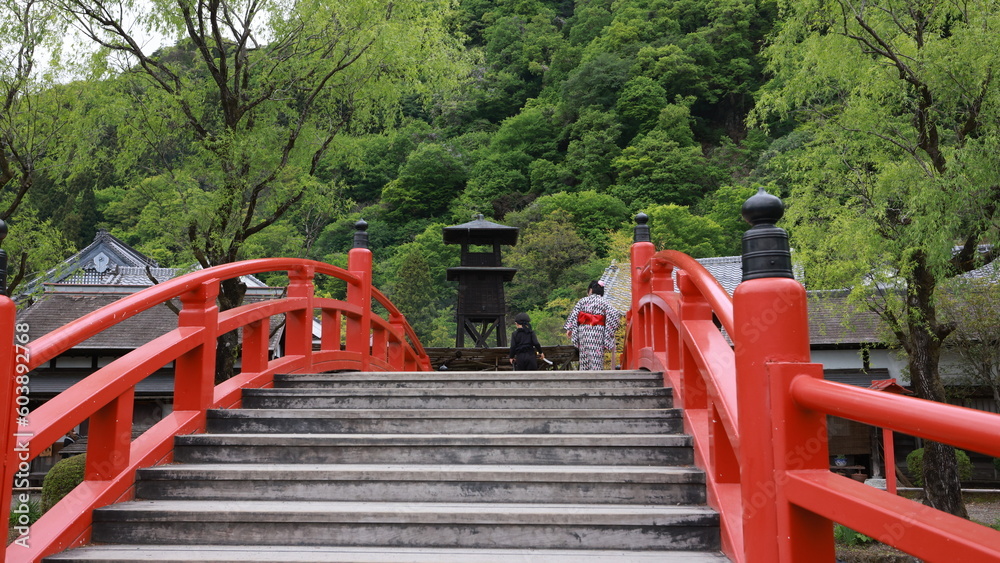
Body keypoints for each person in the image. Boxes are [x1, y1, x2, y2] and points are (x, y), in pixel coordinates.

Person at [564, 280, 622, 370]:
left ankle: (584, 376)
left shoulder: (582, 301)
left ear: (591, 290)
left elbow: (574, 314)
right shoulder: (604, 302)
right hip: (598, 331)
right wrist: (609, 331)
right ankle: (597, 375)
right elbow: (615, 315)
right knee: (596, 355)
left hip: (583, 331)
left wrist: (570, 329)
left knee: (584, 355)